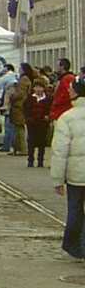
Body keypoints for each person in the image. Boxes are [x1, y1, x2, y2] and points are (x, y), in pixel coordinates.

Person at [50, 75, 85, 262]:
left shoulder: (67, 118)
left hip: (76, 174)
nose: (68, 91)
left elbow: (59, 151)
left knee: (75, 210)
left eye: (71, 88)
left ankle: (74, 248)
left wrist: (57, 179)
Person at [26, 70, 53, 169]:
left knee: (42, 143)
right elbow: (26, 109)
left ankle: (40, 160)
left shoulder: (48, 99)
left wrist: (47, 116)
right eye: (36, 87)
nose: (38, 89)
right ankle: (30, 160)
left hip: (42, 123)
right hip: (32, 123)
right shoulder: (30, 98)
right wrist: (28, 119)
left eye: (40, 87)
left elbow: (50, 109)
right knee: (31, 142)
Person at [50, 58, 76, 123]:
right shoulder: (64, 78)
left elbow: (65, 95)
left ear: (62, 67)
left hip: (62, 111)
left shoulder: (66, 78)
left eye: (57, 65)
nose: (56, 68)